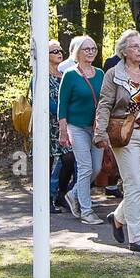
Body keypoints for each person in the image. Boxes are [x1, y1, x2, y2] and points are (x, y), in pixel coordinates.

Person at [94, 30, 140, 252]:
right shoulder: (114, 75)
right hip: (125, 137)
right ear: (124, 51)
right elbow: (105, 104)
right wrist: (100, 132)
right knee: (134, 184)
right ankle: (136, 237)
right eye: (135, 46)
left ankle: (117, 217)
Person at [57, 35, 105, 225]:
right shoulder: (70, 74)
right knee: (85, 167)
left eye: (94, 48)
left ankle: (73, 193)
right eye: (87, 49)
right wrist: (63, 130)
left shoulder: (101, 74)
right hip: (76, 126)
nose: (91, 52)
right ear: (78, 52)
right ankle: (86, 210)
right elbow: (62, 104)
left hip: (97, 127)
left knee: (97, 168)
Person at [41, 40, 75, 214]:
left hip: (64, 124)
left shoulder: (64, 74)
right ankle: (45, 199)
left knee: (69, 159)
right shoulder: (40, 76)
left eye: (60, 50)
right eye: (54, 51)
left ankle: (61, 194)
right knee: (47, 161)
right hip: (47, 124)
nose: (59, 53)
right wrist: (64, 111)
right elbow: (43, 102)